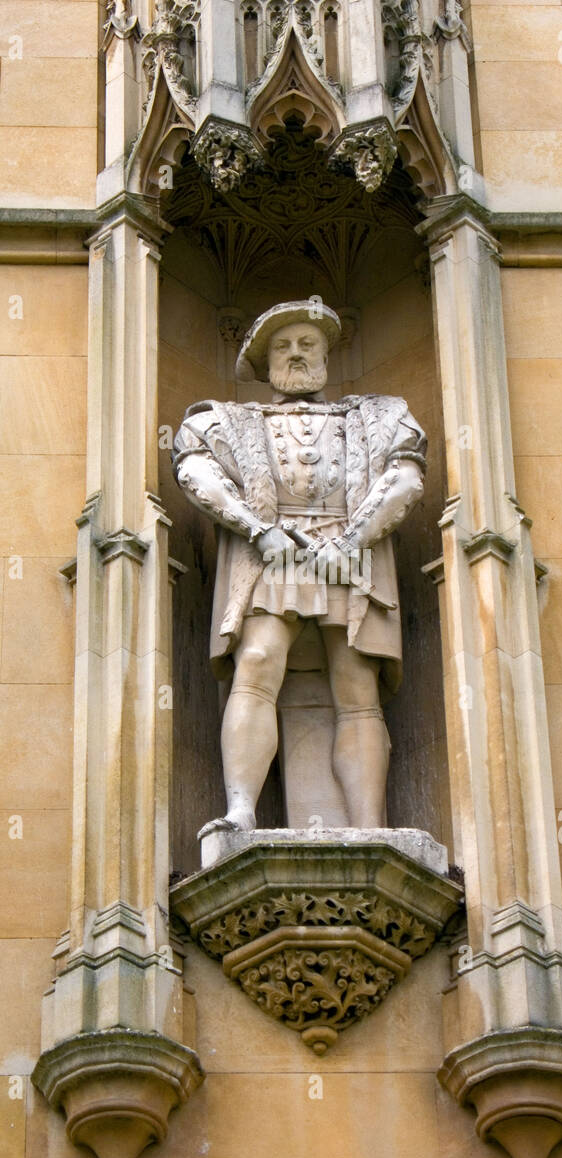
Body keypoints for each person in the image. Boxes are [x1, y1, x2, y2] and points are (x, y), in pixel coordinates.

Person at [173, 299, 427, 829]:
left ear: (327, 356)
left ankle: (369, 828)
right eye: (283, 347)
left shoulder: (379, 416)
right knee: (257, 660)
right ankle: (241, 810)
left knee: (357, 682)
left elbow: (406, 477)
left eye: (308, 344)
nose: (296, 354)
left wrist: (354, 539)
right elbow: (194, 469)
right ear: (265, 363)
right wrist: (258, 529)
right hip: (272, 550)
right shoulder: (227, 421)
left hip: (352, 552)